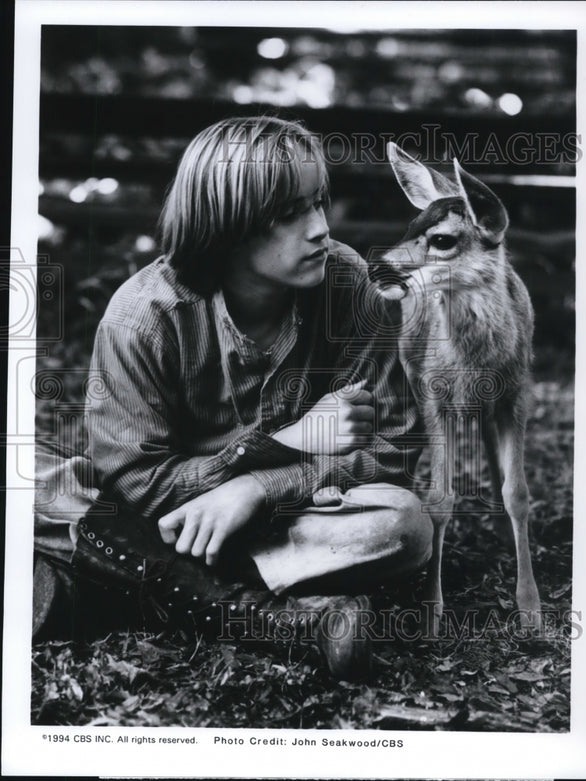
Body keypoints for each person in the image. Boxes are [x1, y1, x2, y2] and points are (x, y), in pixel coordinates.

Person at [34, 116, 433, 681]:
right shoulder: (143, 318)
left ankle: (106, 589)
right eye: (290, 212)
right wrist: (282, 445)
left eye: (319, 201)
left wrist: (259, 488)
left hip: (280, 524)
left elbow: (394, 451)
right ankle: (262, 615)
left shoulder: (348, 287)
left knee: (402, 525)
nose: (320, 227)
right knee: (29, 474)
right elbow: (132, 485)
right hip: (165, 524)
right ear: (226, 225)